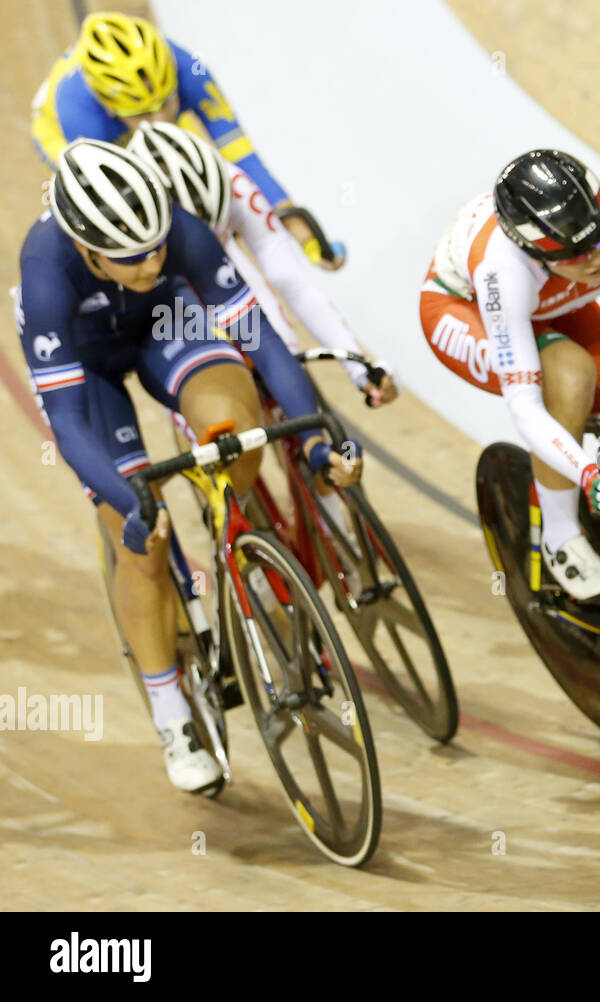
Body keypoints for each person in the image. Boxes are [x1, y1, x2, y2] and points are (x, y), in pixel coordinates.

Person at [16, 140, 360, 794]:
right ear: (88, 251)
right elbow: (65, 421)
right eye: (131, 256)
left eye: (156, 247)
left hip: (162, 326)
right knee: (140, 540)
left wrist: (316, 438)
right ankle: (172, 711)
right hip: (88, 369)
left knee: (241, 424)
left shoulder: (179, 230)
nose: (151, 261)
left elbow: (257, 337)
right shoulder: (45, 275)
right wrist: (131, 501)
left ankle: (235, 543)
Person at [419, 149, 600, 601]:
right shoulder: (502, 271)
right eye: (575, 252)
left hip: (554, 301)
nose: (594, 258)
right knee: (570, 376)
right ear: (534, 250)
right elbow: (524, 408)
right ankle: (560, 537)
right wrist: (589, 473)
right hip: (463, 309)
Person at [30, 11, 339, 269]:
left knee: (192, 172)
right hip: (61, 133)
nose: (160, 120)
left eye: (167, 103)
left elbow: (240, 152)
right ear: (110, 107)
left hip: (128, 112)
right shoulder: (77, 110)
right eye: (142, 114)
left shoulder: (189, 69)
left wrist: (300, 228)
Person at [127, 122, 396, 406]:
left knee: (279, 345)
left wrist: (357, 365)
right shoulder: (139, 220)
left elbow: (292, 282)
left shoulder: (236, 185)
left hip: (226, 254)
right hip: (171, 282)